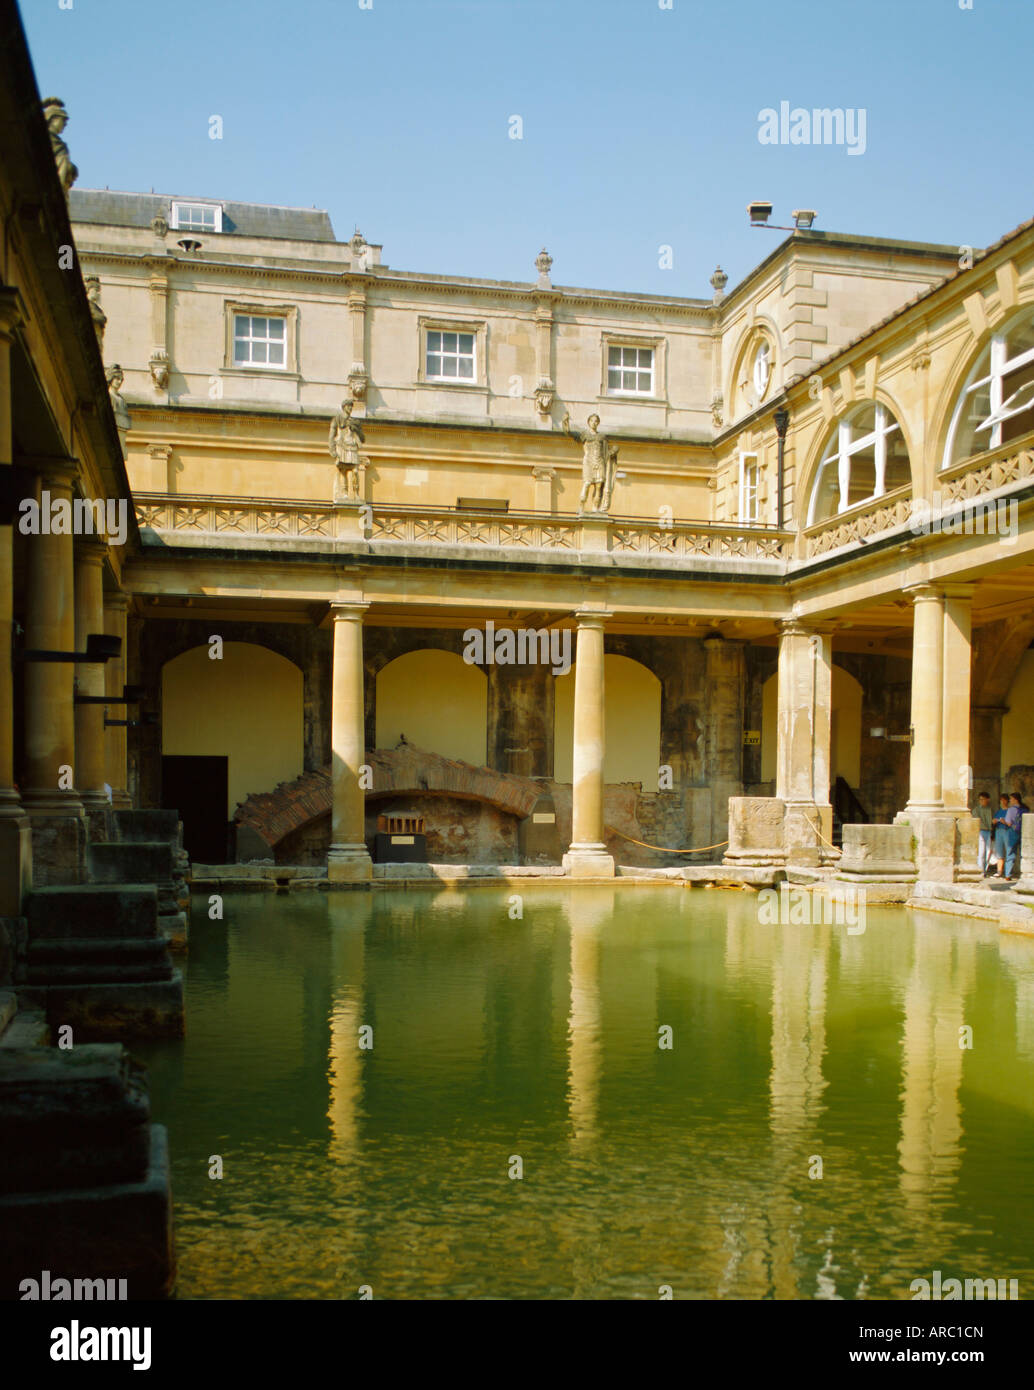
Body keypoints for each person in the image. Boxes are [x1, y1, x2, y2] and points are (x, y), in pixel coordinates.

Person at [1006, 792, 1029, 879]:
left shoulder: (1011, 810)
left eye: (1011, 799)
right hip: (1024, 832)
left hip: (1013, 832)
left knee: (1011, 852)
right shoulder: (1025, 808)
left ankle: (1008, 874)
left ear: (1015, 800)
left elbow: (1008, 823)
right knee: (1024, 853)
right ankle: (1025, 872)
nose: (1010, 800)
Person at [992, 794, 1011, 878]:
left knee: (1008, 850)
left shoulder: (1010, 811)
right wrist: (995, 821)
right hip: (998, 830)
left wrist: (1004, 822)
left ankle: (1008, 873)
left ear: (1007, 801)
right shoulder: (998, 811)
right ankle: (999, 872)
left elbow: (1011, 823)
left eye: (1004, 800)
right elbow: (993, 821)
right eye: (1001, 800)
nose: (1002, 802)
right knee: (999, 851)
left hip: (1006, 831)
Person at [975, 791, 994, 875]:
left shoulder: (990, 809)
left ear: (988, 799)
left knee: (988, 851)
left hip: (989, 832)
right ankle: (980, 870)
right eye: (980, 799)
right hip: (981, 831)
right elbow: (978, 821)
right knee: (981, 852)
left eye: (983, 799)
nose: (981, 801)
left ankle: (985, 869)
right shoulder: (976, 810)